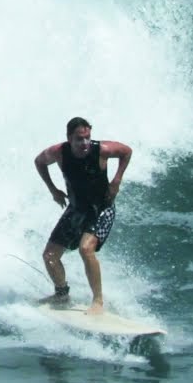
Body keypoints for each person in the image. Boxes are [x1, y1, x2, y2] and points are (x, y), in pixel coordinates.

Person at [34, 117, 132, 315]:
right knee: (50, 256)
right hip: (77, 209)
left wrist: (117, 180)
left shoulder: (101, 150)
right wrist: (53, 189)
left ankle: (98, 302)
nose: (85, 143)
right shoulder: (58, 153)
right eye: (79, 139)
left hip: (101, 209)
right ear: (69, 138)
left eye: (87, 137)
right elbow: (39, 162)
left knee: (86, 249)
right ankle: (61, 294)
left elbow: (126, 151)